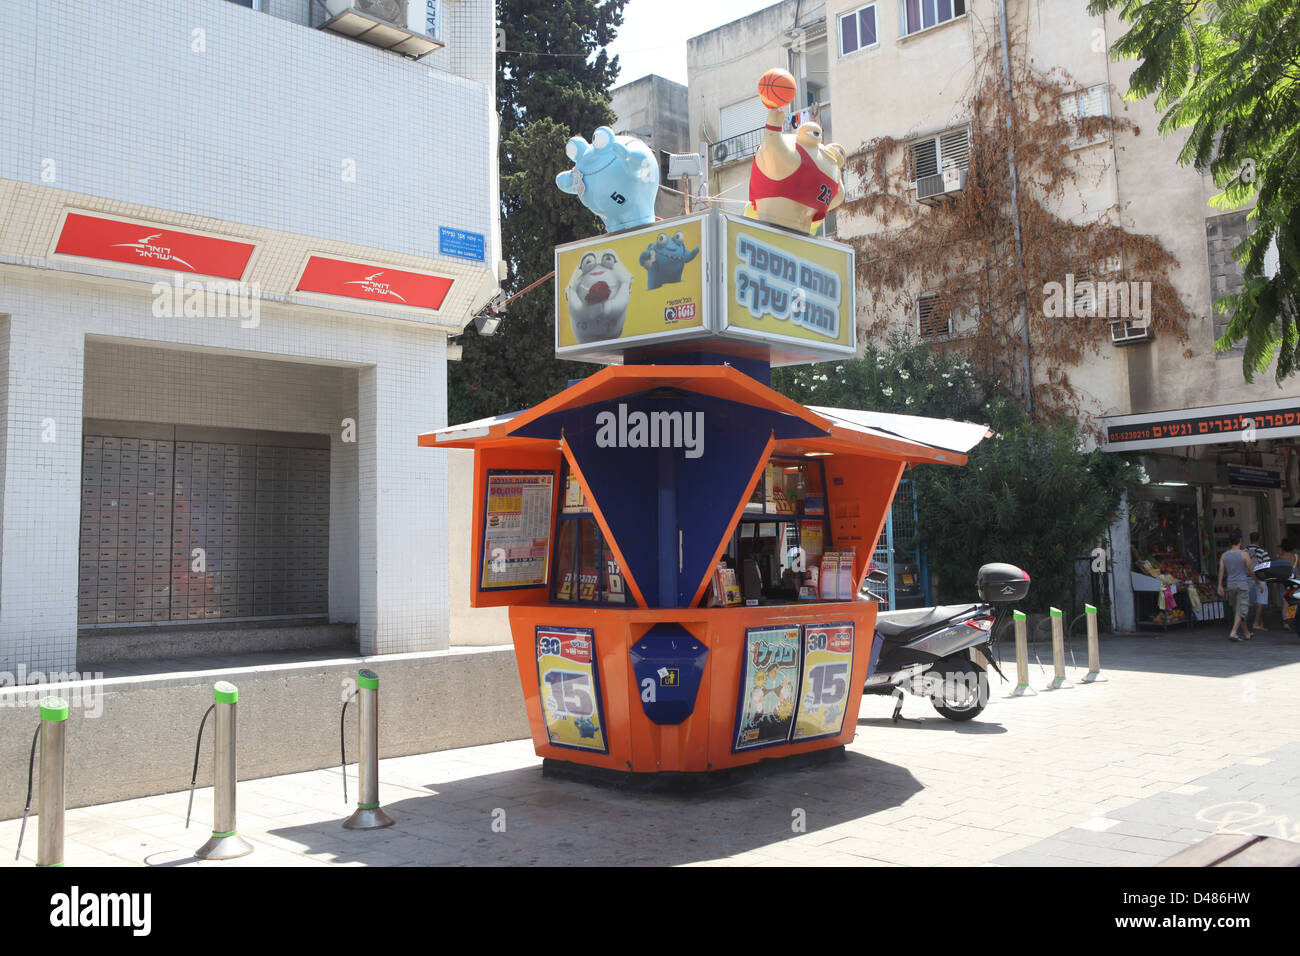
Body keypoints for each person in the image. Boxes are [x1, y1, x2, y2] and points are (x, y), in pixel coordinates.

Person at [1218, 531, 1256, 642]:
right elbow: (1251, 570)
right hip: (1242, 585)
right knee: (1241, 610)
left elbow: (1221, 571)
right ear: (1240, 541)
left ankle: (1246, 633)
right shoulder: (1244, 554)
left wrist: (1220, 585)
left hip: (1230, 585)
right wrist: (1258, 582)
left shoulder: (1224, 555)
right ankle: (1233, 632)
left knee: (1238, 610)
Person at [1246, 531, 1270, 631]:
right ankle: (1256, 622)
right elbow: (1267, 565)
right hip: (1260, 579)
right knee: (1261, 601)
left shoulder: (1244, 551)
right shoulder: (1262, 551)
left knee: (1254, 601)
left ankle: (1260, 623)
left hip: (1247, 578)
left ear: (1250, 539)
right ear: (1258, 539)